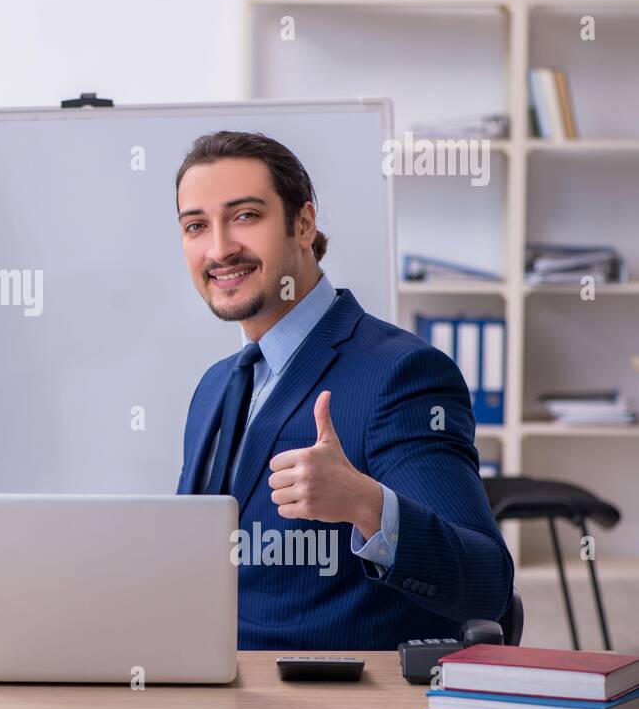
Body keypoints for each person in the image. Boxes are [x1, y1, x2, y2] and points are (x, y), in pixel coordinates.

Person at [174, 130, 513, 649]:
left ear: (303, 224)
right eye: (196, 226)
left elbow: (486, 584)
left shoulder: (402, 373)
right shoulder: (215, 386)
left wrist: (368, 505)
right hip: (207, 680)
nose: (219, 249)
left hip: (324, 695)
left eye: (245, 216)